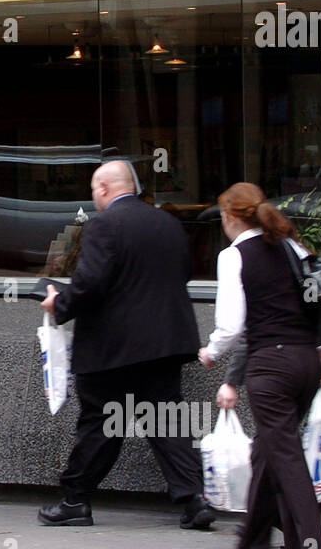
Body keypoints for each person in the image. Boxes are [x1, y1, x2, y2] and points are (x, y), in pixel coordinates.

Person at [39, 160, 214, 529]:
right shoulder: (167, 222)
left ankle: (75, 499)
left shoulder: (103, 225)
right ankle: (195, 499)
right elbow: (181, 273)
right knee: (167, 421)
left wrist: (59, 305)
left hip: (114, 347)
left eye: (92, 190)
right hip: (165, 342)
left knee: (100, 424)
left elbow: (90, 283)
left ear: (103, 189)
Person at [198, 182, 321, 549]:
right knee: (268, 455)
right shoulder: (293, 247)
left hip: (270, 367)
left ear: (230, 216)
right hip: (306, 362)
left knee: (288, 465)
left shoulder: (233, 255)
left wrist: (212, 351)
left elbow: (232, 324)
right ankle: (250, 547)